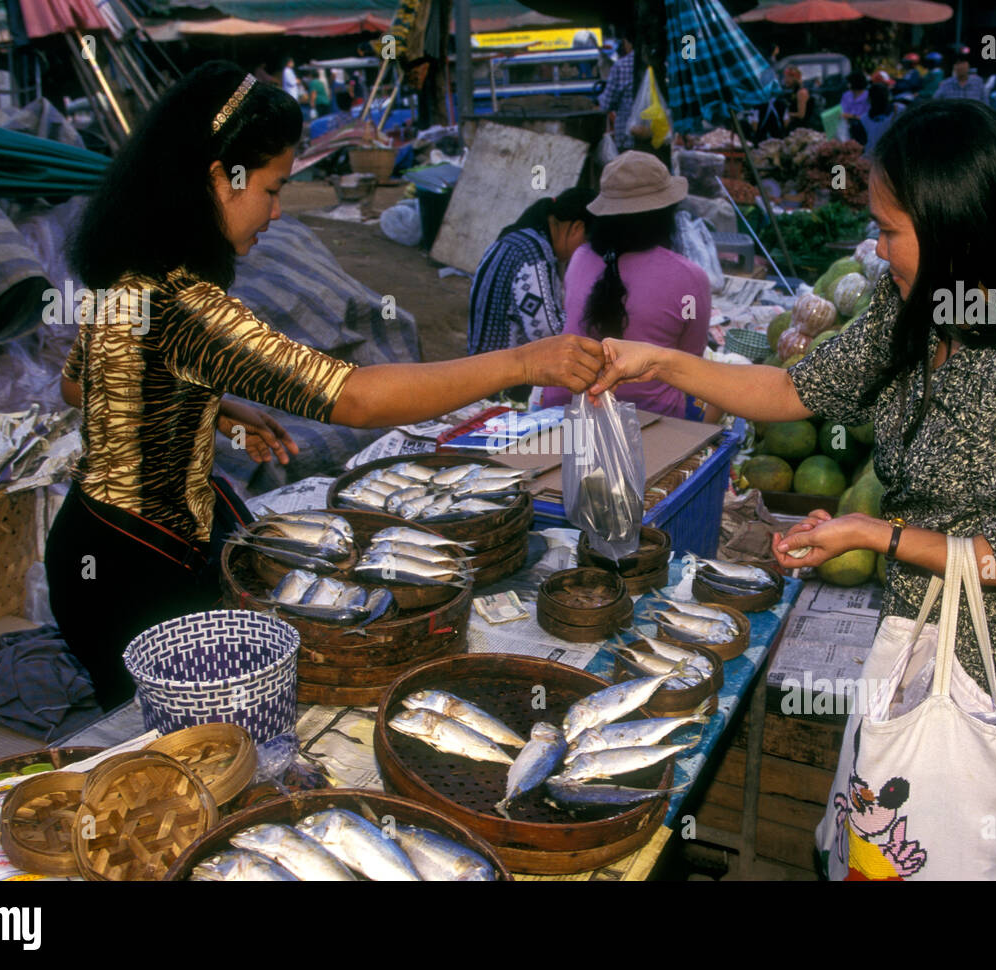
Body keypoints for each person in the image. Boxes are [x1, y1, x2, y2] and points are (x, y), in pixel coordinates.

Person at [590, 99, 996, 881]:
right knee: (891, 851)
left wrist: (877, 534)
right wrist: (658, 363)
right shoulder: (915, 312)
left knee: (977, 855)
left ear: (957, 224)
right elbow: (795, 391)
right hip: (914, 636)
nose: (879, 247)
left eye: (891, 230)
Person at [50, 62, 603, 707]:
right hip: (136, 568)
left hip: (89, 537)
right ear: (218, 180)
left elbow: (81, 389)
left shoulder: (127, 279)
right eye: (273, 188)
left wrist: (213, 409)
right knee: (184, 741)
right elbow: (355, 397)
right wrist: (523, 364)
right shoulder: (189, 309)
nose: (279, 212)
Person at [540, 151, 711, 421]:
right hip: (649, 421)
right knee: (716, 394)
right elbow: (689, 364)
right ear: (665, 214)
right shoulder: (689, 278)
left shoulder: (579, 258)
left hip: (560, 411)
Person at [468, 187, 595, 365]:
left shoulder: (516, 238)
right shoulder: (533, 255)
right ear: (577, 228)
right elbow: (546, 333)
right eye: (586, 243)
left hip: (481, 365)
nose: (583, 252)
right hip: (499, 380)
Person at [600, 36, 636, 152]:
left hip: (627, 136)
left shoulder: (620, 66)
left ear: (627, 43)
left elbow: (606, 104)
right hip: (658, 134)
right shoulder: (660, 63)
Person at [859, 82, 902, 158]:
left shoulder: (863, 119)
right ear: (888, 96)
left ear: (869, 99)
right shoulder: (899, 111)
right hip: (892, 157)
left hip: (871, 159)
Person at [782, 65, 822, 132]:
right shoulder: (794, 92)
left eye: (787, 78)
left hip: (804, 129)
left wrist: (786, 114)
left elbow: (801, 115)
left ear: (794, 78)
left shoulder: (801, 93)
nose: (785, 80)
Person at [840, 71, 870, 143]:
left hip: (864, 129)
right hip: (848, 127)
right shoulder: (846, 95)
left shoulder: (868, 96)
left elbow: (867, 117)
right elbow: (842, 112)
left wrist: (852, 116)